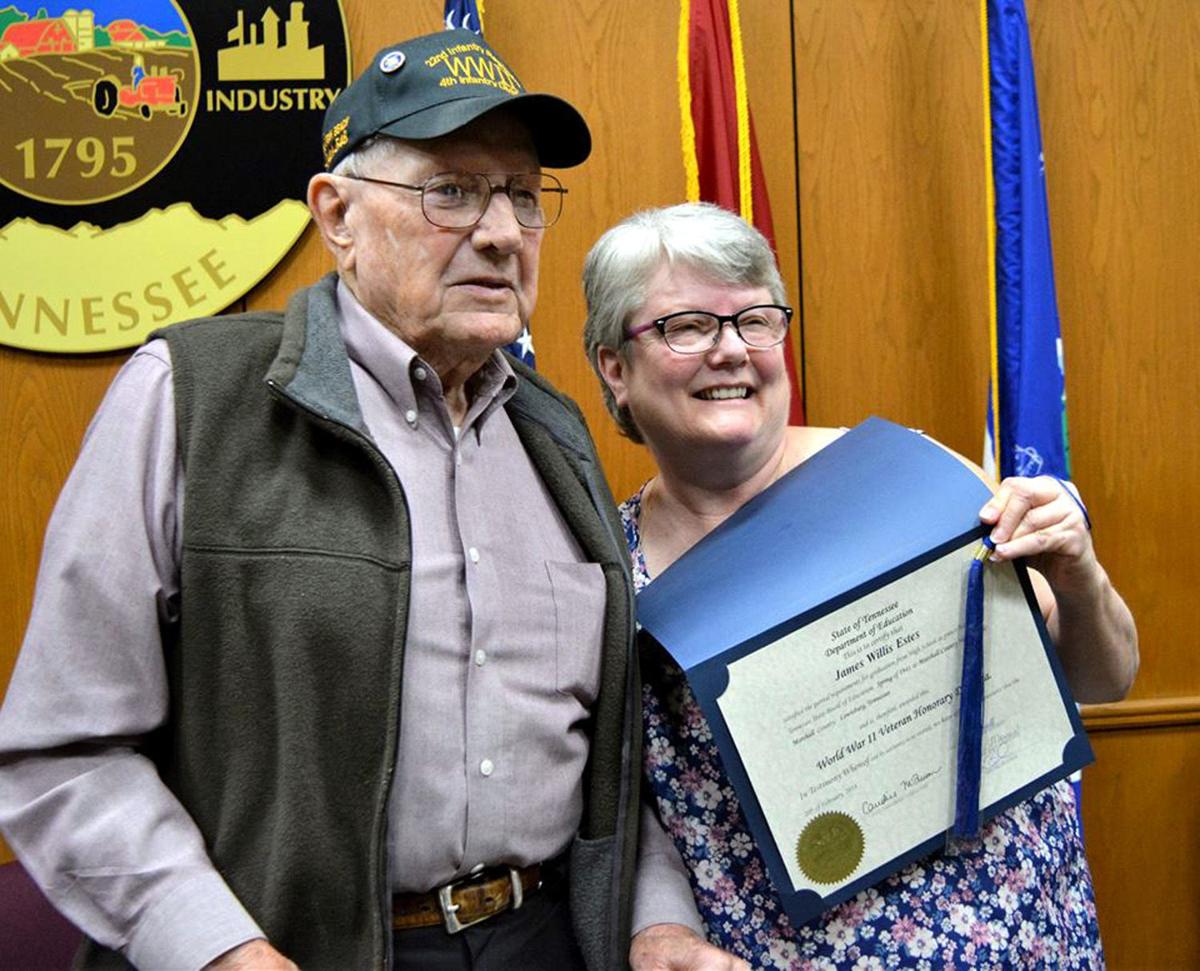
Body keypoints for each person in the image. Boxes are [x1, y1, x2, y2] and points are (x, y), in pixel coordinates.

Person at [0, 29, 687, 971]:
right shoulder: (193, 397)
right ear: (337, 215)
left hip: (545, 940)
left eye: (523, 196)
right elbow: (66, 748)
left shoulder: (557, 433)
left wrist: (655, 922)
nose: (499, 231)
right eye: (451, 191)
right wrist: (216, 949)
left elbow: (610, 759)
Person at [583, 202, 1139, 969]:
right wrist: (660, 932)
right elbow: (626, 810)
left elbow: (1101, 679)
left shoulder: (904, 473)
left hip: (1019, 935)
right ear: (615, 367)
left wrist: (1077, 572)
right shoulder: (614, 572)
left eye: (755, 319)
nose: (731, 350)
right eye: (687, 326)